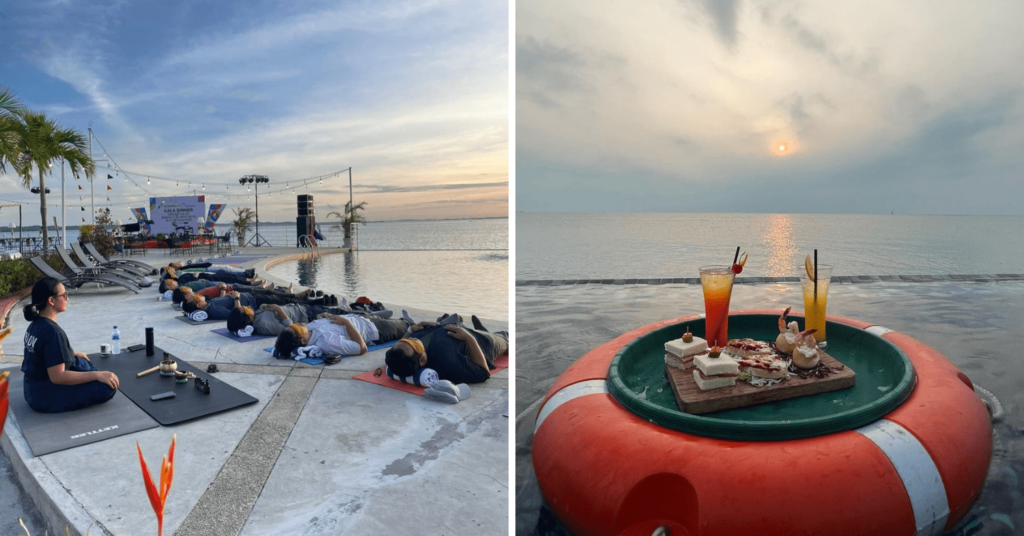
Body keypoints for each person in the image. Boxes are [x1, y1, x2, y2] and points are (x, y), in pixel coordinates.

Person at [20, 277, 119, 413]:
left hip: (31, 388)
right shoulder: (53, 332)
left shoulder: (35, 324)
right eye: (64, 295)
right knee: (106, 387)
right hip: (43, 396)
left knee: (81, 361)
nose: (67, 298)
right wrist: (97, 375)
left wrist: (71, 353)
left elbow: (42, 354)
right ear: (51, 300)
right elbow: (58, 377)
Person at [384, 315, 508, 384]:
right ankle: (485, 332)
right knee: (506, 337)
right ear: (422, 360)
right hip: (482, 342)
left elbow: (398, 350)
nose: (411, 339)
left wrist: (410, 330)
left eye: (404, 341)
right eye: (412, 344)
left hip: (443, 328)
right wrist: (469, 338)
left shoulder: (400, 353)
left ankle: (480, 329)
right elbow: (483, 373)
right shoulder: (446, 362)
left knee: (456, 316)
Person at [272, 311, 412, 357]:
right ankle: (407, 321)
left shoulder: (309, 328)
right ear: (303, 341)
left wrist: (323, 316)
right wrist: (345, 323)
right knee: (404, 325)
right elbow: (361, 348)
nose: (297, 324)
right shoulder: (326, 343)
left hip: (359, 318)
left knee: (382, 314)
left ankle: (380, 315)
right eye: (296, 329)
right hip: (373, 329)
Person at [182, 290, 337, 320]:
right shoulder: (213, 310)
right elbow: (235, 313)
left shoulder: (208, 304)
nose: (198, 296)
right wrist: (236, 298)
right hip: (253, 302)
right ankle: (316, 302)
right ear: (199, 306)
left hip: (250, 297)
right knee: (285, 302)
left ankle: (310, 299)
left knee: (279, 296)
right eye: (196, 298)